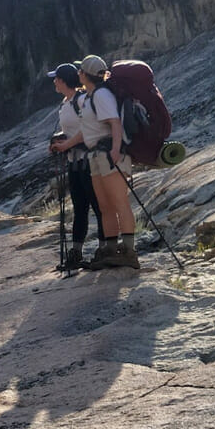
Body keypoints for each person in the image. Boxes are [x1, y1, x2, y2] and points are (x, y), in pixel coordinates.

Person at [58, 54, 138, 268]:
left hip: (108, 154)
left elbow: (114, 122)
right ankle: (110, 250)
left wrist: (115, 149)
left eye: (80, 71)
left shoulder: (102, 96)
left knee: (118, 202)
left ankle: (129, 251)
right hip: (96, 155)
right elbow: (86, 131)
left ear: (85, 74)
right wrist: (64, 145)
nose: (78, 74)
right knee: (105, 206)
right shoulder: (89, 97)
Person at [46, 62, 103, 270]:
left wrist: (66, 144)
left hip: (89, 160)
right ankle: (77, 252)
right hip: (74, 161)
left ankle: (104, 250)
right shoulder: (67, 103)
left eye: (56, 78)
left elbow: (88, 129)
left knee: (97, 206)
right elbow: (72, 130)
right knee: (80, 207)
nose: (54, 82)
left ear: (62, 81)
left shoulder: (80, 101)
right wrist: (59, 141)